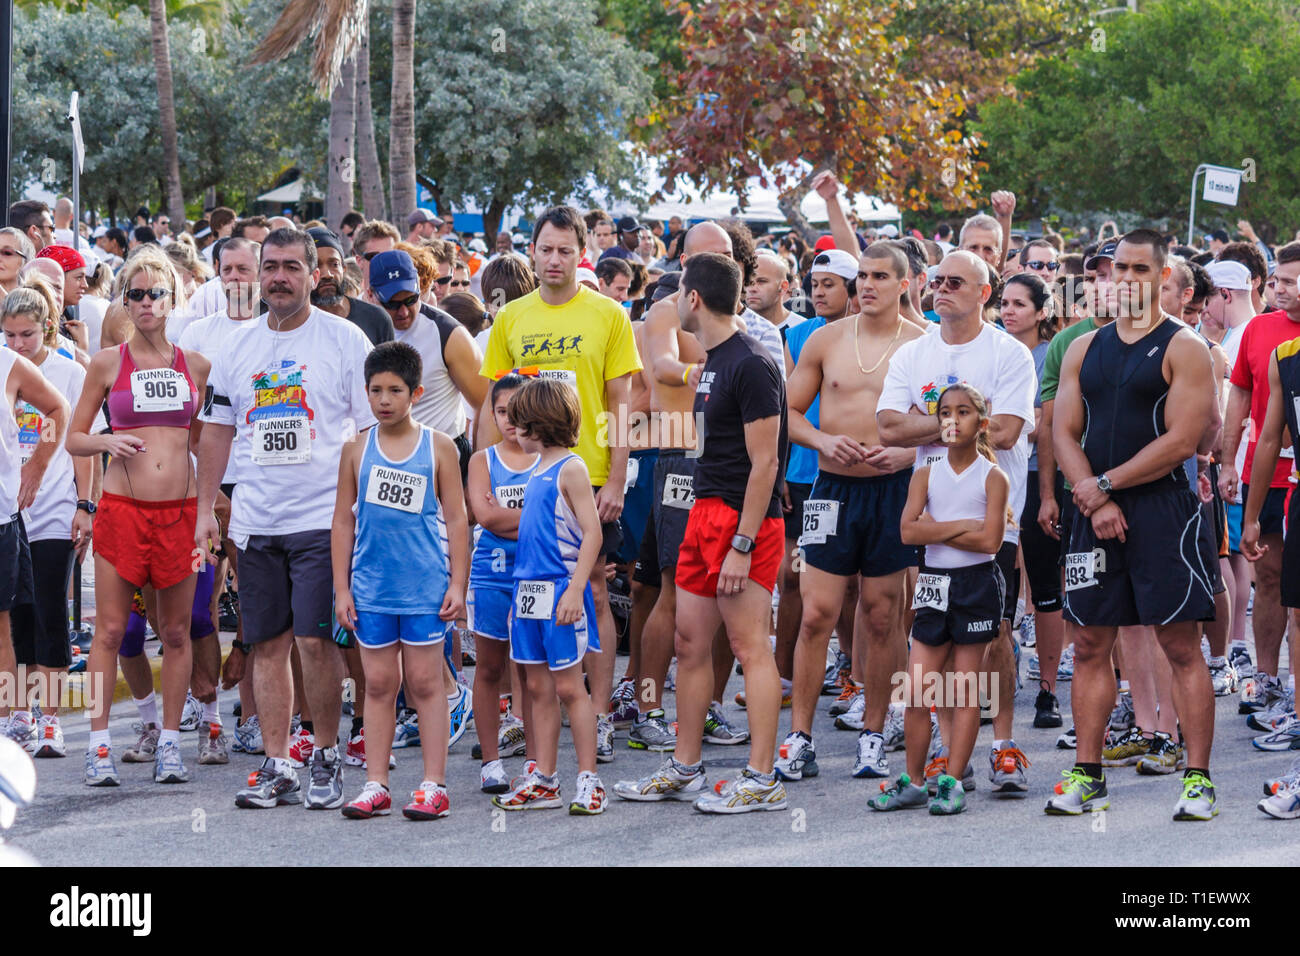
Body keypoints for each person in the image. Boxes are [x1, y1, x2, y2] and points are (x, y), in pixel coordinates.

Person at [195, 227, 375, 810]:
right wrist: (205, 509)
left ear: (314, 275)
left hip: (323, 518)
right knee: (266, 644)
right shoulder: (237, 347)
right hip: (256, 521)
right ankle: (278, 763)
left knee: (315, 642)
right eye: (270, 266)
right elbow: (217, 430)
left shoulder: (344, 340)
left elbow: (369, 431)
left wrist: (364, 509)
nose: (279, 277)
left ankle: (325, 755)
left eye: (292, 267)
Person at [1049, 229, 1220, 820]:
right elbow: (1063, 432)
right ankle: (1087, 774)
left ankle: (1197, 781)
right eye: (1118, 268)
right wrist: (1094, 499)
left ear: (1163, 275)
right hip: (1093, 512)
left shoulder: (1185, 347)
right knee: (1089, 643)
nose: (1125, 278)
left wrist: (1107, 485)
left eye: (1139, 269)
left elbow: (1182, 440)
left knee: (1180, 645)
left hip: (1162, 512)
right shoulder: (1083, 348)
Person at [614, 252, 789, 814]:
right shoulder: (712, 360)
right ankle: (685, 767)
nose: (669, 303)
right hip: (703, 512)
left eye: (677, 292)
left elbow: (766, 463)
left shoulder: (753, 363)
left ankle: (762, 778)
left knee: (749, 647)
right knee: (690, 645)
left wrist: (742, 544)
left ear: (694, 298)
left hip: (742, 524)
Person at [477, 206, 641, 764]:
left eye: (565, 251)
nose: (554, 260)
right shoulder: (511, 318)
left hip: (586, 476)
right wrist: (485, 474)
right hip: (524, 478)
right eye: (545, 249)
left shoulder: (609, 315)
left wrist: (616, 477)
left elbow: (621, 401)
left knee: (592, 591)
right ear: (532, 251)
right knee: (527, 590)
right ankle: (529, 715)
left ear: (581, 254)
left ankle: (598, 713)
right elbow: (492, 402)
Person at [878, 250, 1037, 794]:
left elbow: (1008, 431)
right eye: (938, 281)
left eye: (955, 283)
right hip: (931, 519)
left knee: (996, 636)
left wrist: (925, 422)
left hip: (996, 520)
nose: (941, 290)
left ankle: (1003, 745)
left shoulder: (1009, 353)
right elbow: (887, 428)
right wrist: (964, 419)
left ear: (984, 293)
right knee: (938, 638)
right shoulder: (913, 353)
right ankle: (951, 755)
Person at [776, 242, 923, 783]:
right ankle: (799, 737)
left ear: (904, 284)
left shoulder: (923, 345)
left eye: (880, 276)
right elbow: (788, 413)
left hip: (894, 491)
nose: (868, 285)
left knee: (883, 616)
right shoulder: (826, 339)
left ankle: (874, 734)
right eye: (862, 275)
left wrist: (907, 454)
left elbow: (948, 424)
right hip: (832, 489)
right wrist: (822, 440)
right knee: (817, 613)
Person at [65, 247, 209, 786]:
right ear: (125, 301)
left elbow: (204, 442)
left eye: (156, 293)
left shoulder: (196, 365)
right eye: (137, 294)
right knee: (108, 631)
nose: (147, 303)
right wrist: (107, 440)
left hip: (180, 513)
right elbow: (74, 437)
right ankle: (98, 746)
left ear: (172, 300)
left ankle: (170, 744)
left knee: (175, 632)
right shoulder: (107, 362)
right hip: (123, 510)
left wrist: (211, 509)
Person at [332, 341, 468, 820]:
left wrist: (457, 584)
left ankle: (434, 785)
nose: (384, 400)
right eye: (375, 390)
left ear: (416, 393)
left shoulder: (439, 446)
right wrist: (342, 588)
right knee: (378, 684)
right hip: (371, 589)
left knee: (425, 684)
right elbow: (342, 522)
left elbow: (457, 519)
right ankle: (376, 784)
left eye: (394, 390)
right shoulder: (356, 448)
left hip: (425, 588)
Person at [873, 384, 1009, 814]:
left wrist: (935, 527)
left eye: (963, 412)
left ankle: (951, 780)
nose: (952, 420)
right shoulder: (925, 474)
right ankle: (913, 781)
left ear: (981, 423)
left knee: (965, 690)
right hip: (934, 583)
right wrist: (961, 525)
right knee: (917, 690)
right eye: (945, 412)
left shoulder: (993, 477)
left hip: (976, 584)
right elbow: (907, 532)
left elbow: (989, 541)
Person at [491, 378, 607, 815]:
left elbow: (593, 532)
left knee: (570, 687)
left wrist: (576, 589)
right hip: (528, 592)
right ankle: (544, 778)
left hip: (559, 587)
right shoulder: (537, 468)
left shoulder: (570, 469)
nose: (513, 428)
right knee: (538, 687)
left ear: (537, 424)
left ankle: (589, 779)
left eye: (518, 420)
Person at [0, 279, 91, 756]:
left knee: (51, 612)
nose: (18, 344)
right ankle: (21, 714)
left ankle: (50, 718)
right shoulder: (5, 365)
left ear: (48, 328)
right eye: (10, 335)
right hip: (11, 512)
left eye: (27, 335)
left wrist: (84, 505)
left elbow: (80, 444)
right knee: (17, 619)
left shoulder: (68, 372)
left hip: (54, 506)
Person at [1218, 242, 1300, 717]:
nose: (1277, 289)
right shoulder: (1259, 329)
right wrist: (1228, 462)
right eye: (1275, 280)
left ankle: (1295, 687)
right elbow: (1240, 396)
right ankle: (1267, 678)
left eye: (1288, 281)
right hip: (1266, 474)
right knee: (1269, 578)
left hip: (1296, 477)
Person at [998, 273, 1065, 727]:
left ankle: (1048, 689)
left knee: (1044, 588)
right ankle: (996, 686)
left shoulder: (1051, 354)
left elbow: (1042, 427)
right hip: (997, 480)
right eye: (1004, 302)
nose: (1009, 311)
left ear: (1042, 312)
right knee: (999, 591)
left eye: (1019, 304)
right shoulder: (992, 350)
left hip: (1042, 479)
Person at [466, 373, 537, 792]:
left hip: (538, 577)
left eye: (518, 410)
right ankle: (491, 762)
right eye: (502, 412)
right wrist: (536, 519)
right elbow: (486, 517)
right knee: (490, 667)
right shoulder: (482, 461)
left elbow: (561, 517)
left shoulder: (550, 458)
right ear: (492, 415)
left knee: (532, 671)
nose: (510, 420)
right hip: (491, 576)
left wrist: (507, 518)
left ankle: (535, 762)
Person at [1240, 329, 1300, 814]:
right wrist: (1253, 516)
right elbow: (1268, 439)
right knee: (1299, 617)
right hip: (1298, 497)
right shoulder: (1287, 356)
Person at [307, 228, 394, 345]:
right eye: (316, 266)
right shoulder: (293, 326)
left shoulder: (377, 319)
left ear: (343, 268)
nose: (327, 274)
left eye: (334, 264)